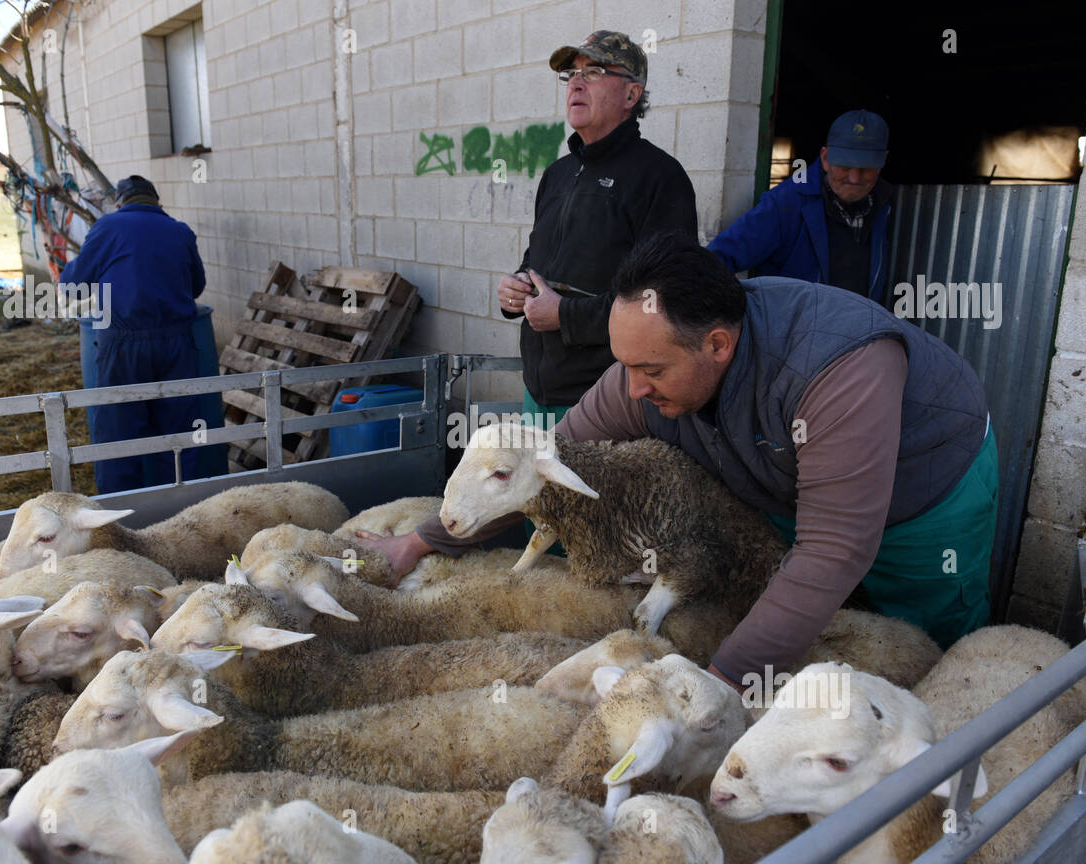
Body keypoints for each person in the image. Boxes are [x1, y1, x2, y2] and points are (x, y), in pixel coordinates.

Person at [364, 233, 997, 689]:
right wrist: (420, 545)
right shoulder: (646, 374)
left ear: (717, 345)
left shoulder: (837, 369)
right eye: (626, 365)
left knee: (916, 656)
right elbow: (543, 468)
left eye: (650, 369)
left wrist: (711, 690)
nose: (633, 388)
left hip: (925, 497)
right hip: (784, 481)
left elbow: (834, 548)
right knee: (808, 621)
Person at [497, 30, 698, 425]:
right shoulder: (558, 174)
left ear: (630, 95)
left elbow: (664, 302)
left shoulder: (659, 177)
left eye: (593, 71)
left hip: (608, 401)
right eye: (571, 74)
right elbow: (538, 259)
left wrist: (565, 316)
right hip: (537, 395)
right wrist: (516, 288)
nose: (575, 82)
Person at [59, 175, 212, 494]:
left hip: (124, 348)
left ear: (119, 203)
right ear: (156, 202)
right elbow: (196, 286)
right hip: (177, 346)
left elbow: (73, 285)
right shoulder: (180, 231)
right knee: (179, 434)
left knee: (118, 436)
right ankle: (179, 511)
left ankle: (121, 516)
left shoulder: (107, 227)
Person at [707, 109, 893, 304]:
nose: (855, 178)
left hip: (858, 328)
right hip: (793, 332)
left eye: (866, 169)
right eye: (845, 167)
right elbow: (715, 259)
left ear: (883, 162)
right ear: (825, 158)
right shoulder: (786, 202)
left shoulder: (883, 204)